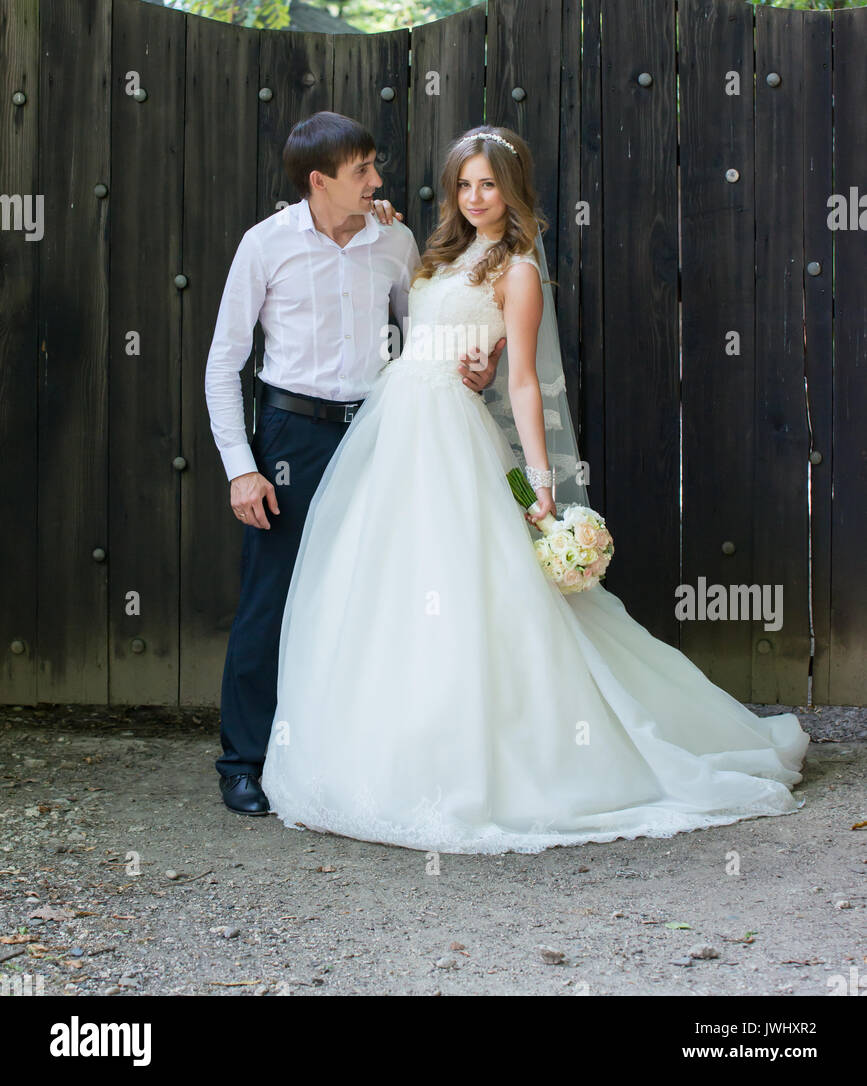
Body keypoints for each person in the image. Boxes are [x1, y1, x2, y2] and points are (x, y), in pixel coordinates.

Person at [260, 125, 810, 854]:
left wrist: (538, 481)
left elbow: (519, 377)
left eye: (488, 184)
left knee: (471, 590)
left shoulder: (516, 271)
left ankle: (494, 757)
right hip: (393, 426)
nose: (474, 197)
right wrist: (382, 219)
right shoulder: (433, 254)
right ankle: (384, 747)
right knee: (383, 584)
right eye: (463, 184)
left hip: (452, 435)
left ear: (511, 190)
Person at [204, 112, 505, 815]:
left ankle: (348, 755)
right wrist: (240, 467)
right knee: (270, 598)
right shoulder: (265, 245)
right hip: (290, 438)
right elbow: (224, 363)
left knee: (375, 594)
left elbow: (422, 326)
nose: (376, 180)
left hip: (381, 431)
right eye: (362, 171)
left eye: (374, 165)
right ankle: (243, 762)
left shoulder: (395, 239)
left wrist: (477, 361)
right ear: (319, 182)